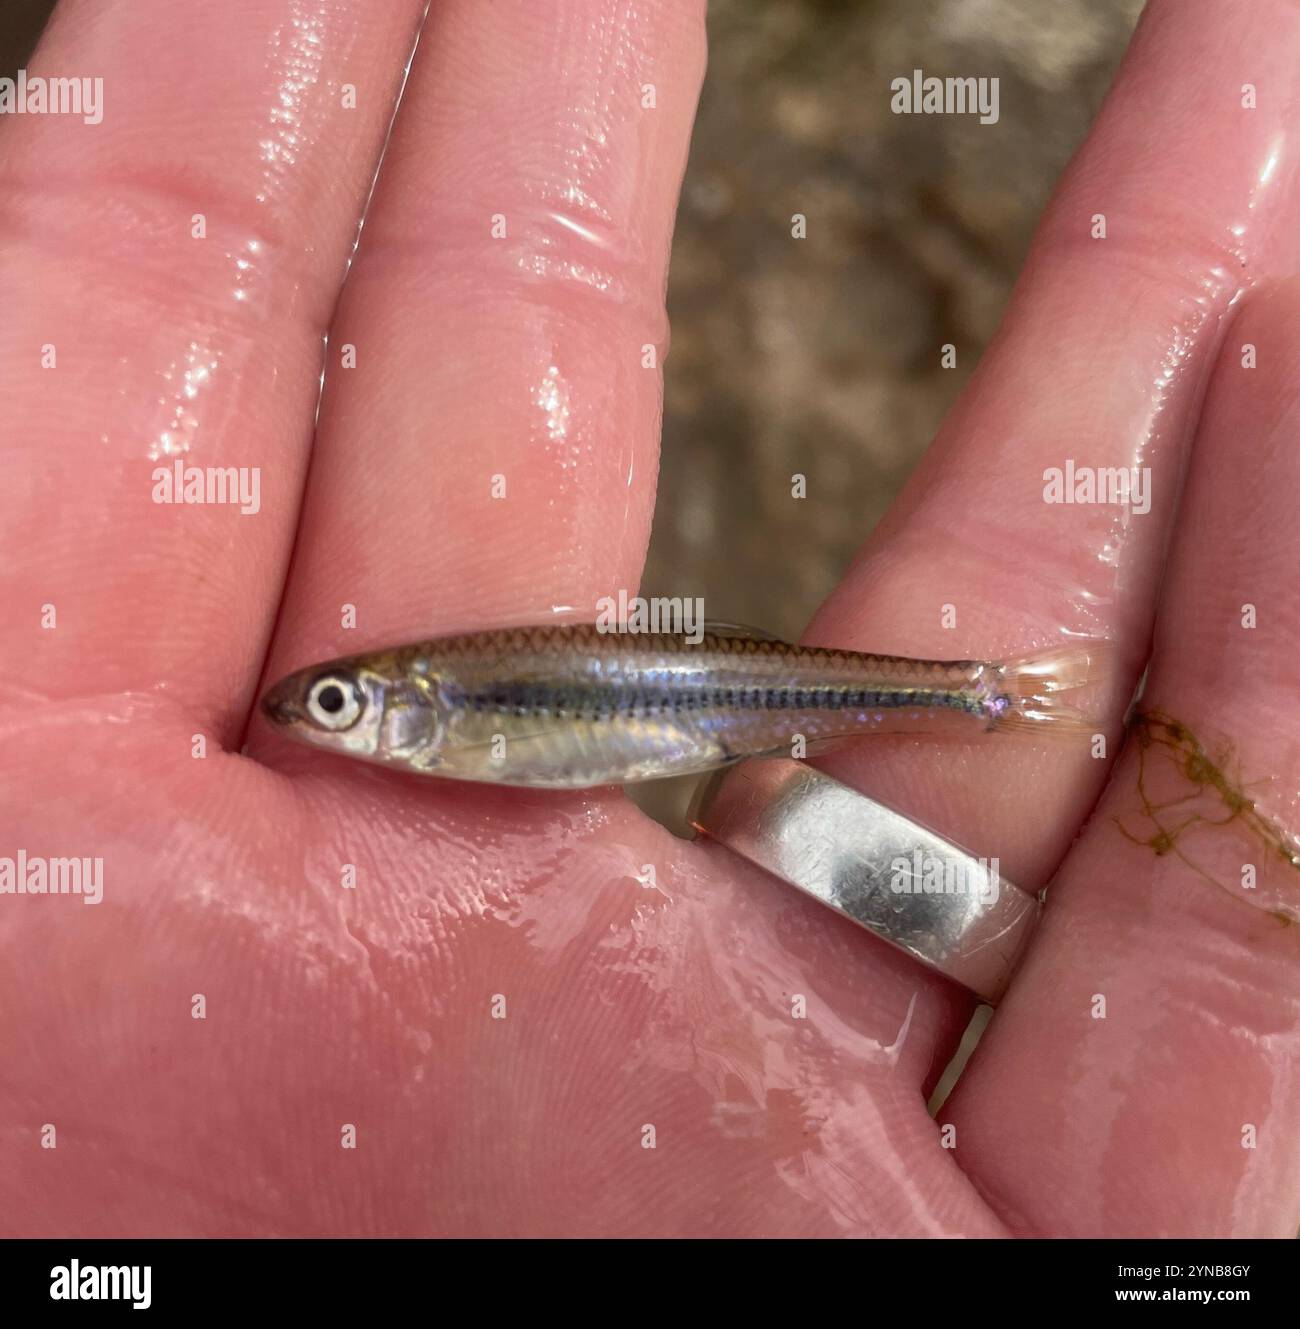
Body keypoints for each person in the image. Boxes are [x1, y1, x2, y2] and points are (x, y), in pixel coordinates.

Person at [1, 0, 1296, 1237]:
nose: (322, 716)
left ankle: (983, 692)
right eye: (331, 702)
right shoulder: (439, 711)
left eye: (339, 700)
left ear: (411, 703)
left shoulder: (453, 709)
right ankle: (978, 693)